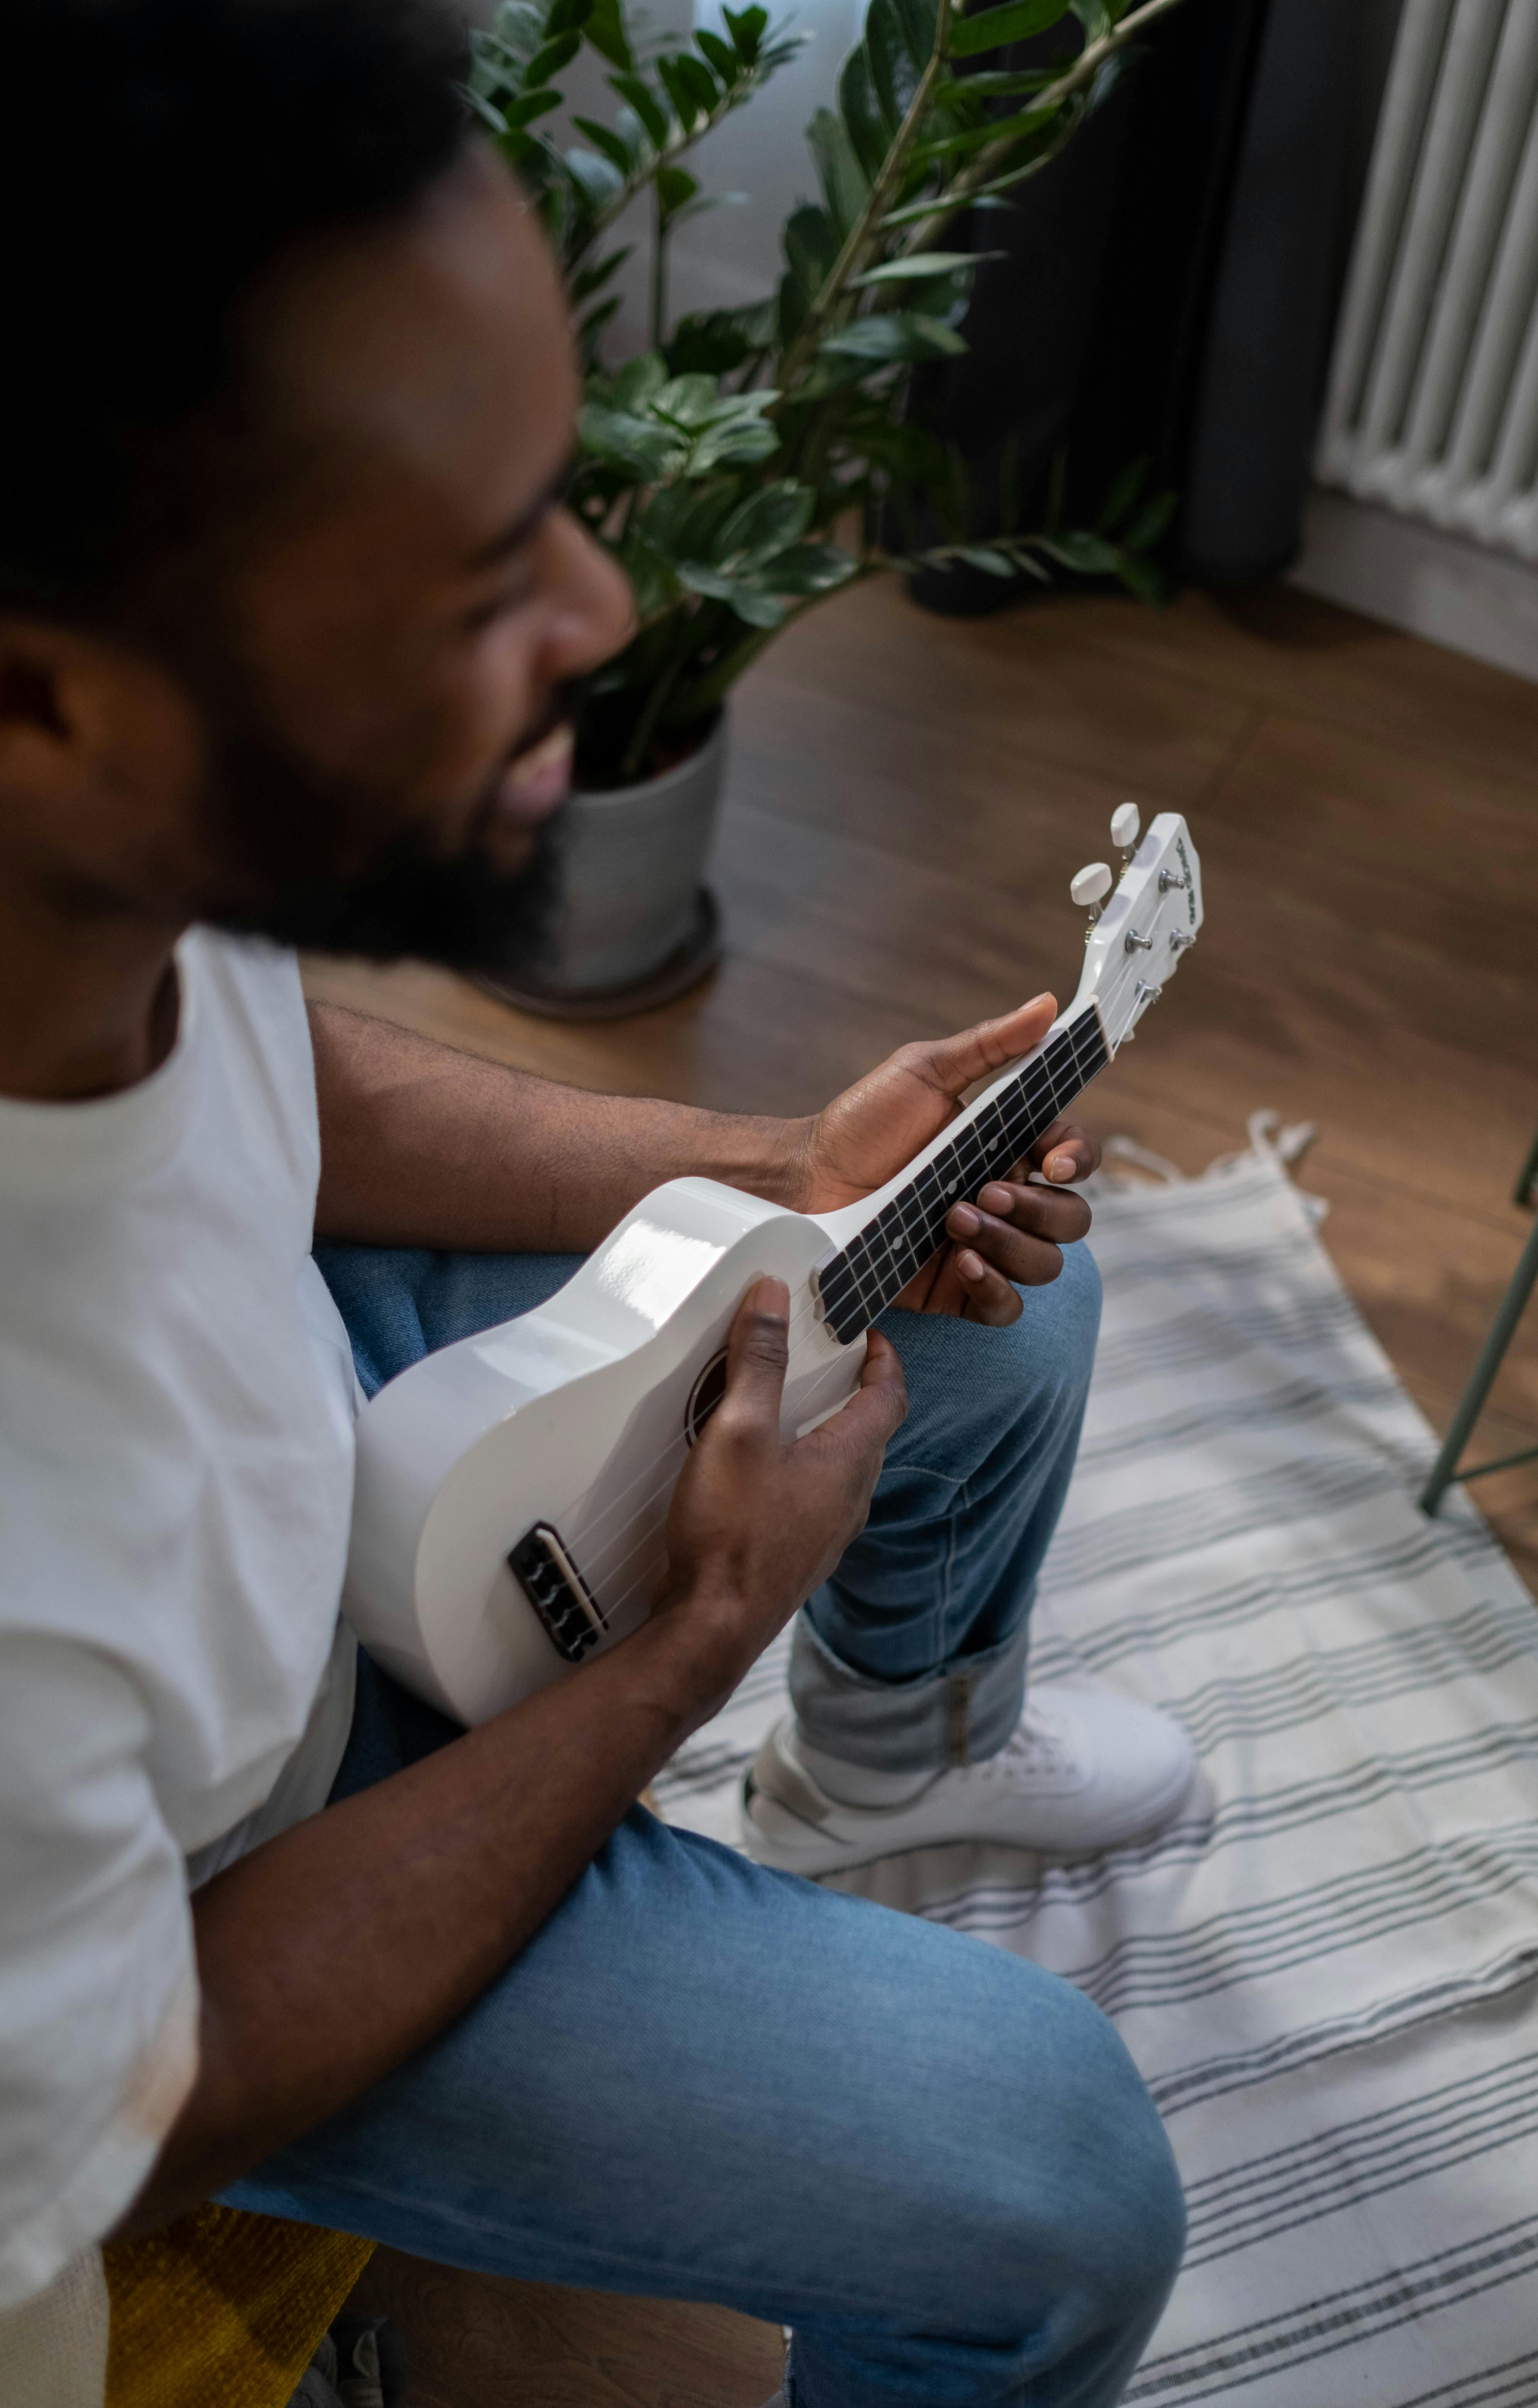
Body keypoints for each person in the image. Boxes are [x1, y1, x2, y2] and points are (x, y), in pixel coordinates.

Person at [0, 4, 1194, 2401]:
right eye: (476, 589)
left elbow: (271, 1074)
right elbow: (143, 2107)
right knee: (1062, 2195)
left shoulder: (82, 857)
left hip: (292, 1472)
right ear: (56, 702)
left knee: (977, 1295)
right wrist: (694, 1633)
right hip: (226, 1878)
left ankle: (890, 1759)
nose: (607, 618)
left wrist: (774, 1166)